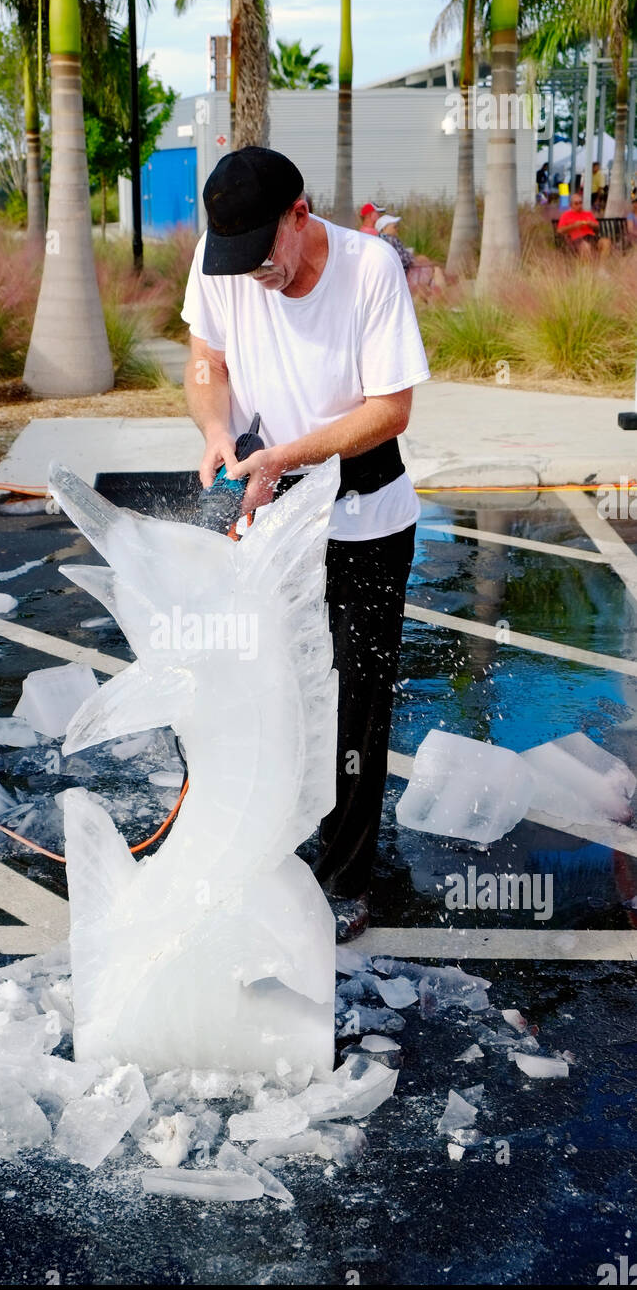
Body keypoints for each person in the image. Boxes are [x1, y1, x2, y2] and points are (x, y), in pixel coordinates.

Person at [181, 147, 430, 941]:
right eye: (239, 263)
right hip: (270, 507)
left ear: (301, 213)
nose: (255, 275)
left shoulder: (369, 270)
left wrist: (286, 457)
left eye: (267, 258)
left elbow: (390, 410)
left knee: (356, 705)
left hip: (365, 517)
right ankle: (267, 849)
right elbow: (204, 360)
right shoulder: (224, 259)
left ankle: (348, 877)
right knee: (265, 687)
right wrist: (218, 430)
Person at [557, 188, 601, 255]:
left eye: (580, 203)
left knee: (606, 242)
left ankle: (601, 264)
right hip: (576, 239)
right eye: (576, 203)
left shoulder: (588, 214)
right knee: (585, 246)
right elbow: (559, 230)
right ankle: (587, 264)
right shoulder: (566, 215)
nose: (579, 205)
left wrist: (592, 224)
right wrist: (574, 226)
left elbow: (597, 227)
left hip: (591, 236)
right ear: (571, 205)